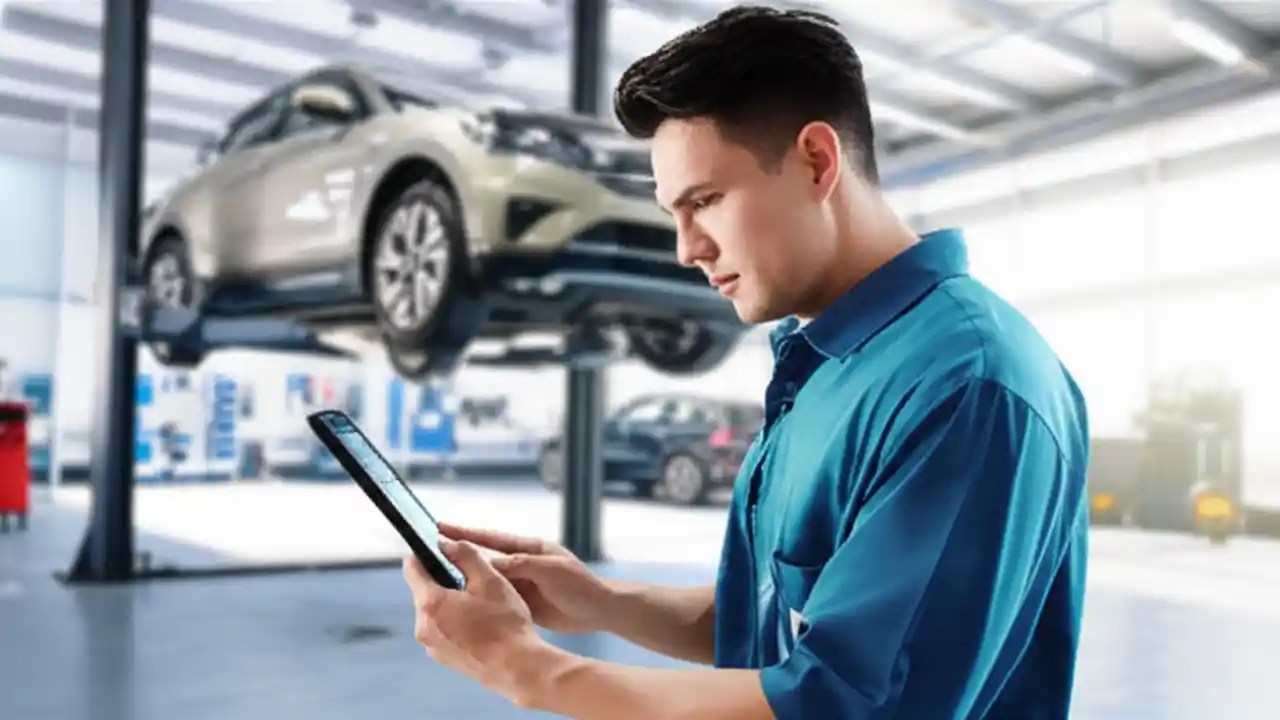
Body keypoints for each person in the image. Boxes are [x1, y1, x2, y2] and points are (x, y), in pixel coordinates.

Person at [400, 6, 1090, 718]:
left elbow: (844, 702)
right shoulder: (822, 361)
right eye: (673, 213)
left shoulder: (965, 385)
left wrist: (527, 669)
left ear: (817, 161)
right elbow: (776, 623)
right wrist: (602, 600)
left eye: (704, 201)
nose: (686, 249)